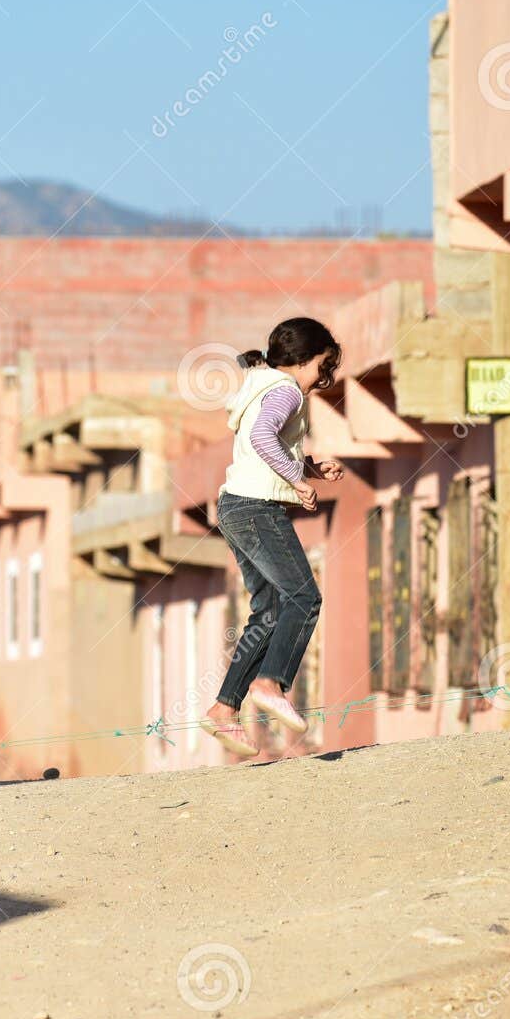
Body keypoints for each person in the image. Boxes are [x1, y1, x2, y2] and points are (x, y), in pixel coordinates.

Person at [202, 318, 345, 757]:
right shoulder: (285, 391)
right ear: (303, 360)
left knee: (268, 611)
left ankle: (224, 710)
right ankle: (271, 682)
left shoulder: (261, 385)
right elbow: (265, 437)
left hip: (236, 507)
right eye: (322, 364)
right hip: (256, 509)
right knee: (305, 598)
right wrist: (298, 484)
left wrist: (308, 468)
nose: (323, 375)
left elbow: (261, 446)